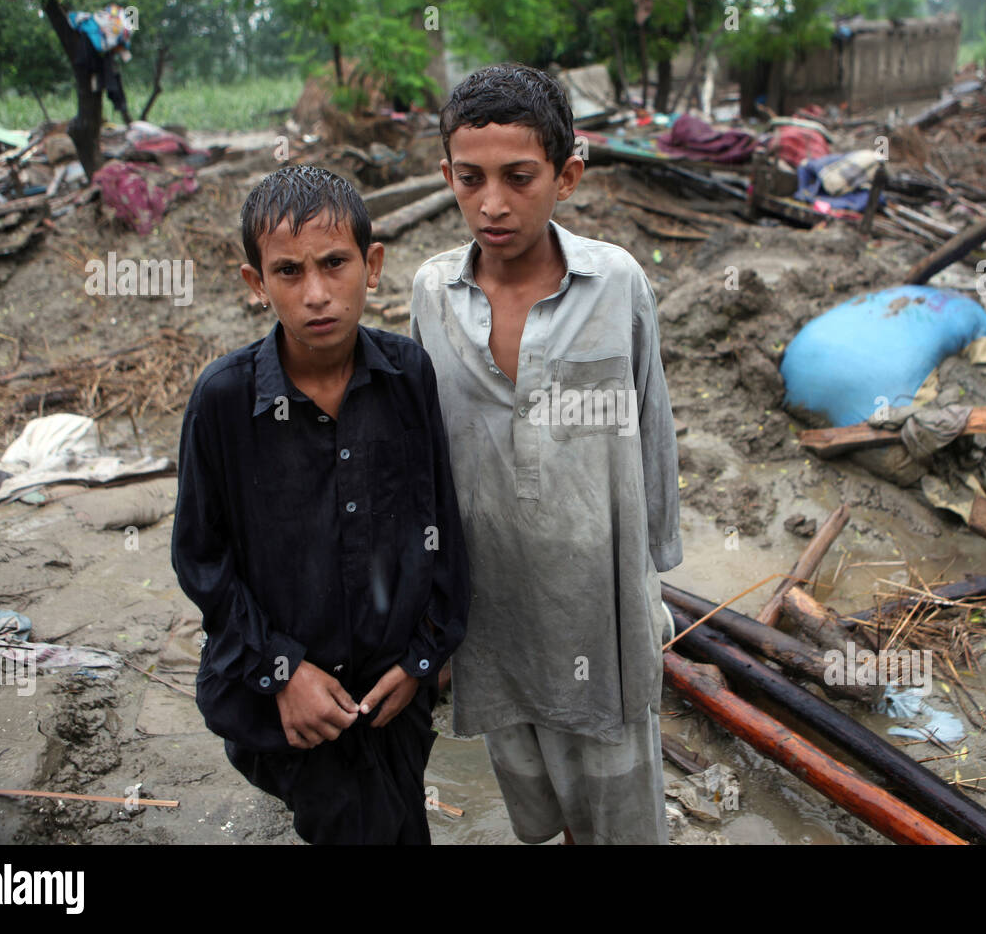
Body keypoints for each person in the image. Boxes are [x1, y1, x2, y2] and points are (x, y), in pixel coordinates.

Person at [409, 64, 682, 845]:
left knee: (618, 804)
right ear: (447, 175)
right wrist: (433, 600)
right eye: (471, 178)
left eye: (518, 177)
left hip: (598, 598)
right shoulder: (432, 293)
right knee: (535, 792)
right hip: (492, 603)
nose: (492, 203)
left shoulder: (615, 283)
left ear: (566, 176)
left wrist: (652, 574)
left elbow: (652, 425)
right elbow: (426, 451)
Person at [171, 164, 470, 844]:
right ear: (256, 284)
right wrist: (279, 670)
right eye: (288, 272)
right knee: (362, 824)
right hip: (285, 696)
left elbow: (439, 526)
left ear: (373, 265)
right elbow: (200, 557)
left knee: (400, 822)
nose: (316, 295)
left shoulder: (407, 377)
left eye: (335, 264)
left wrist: (422, 660)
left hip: (390, 690)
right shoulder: (223, 401)